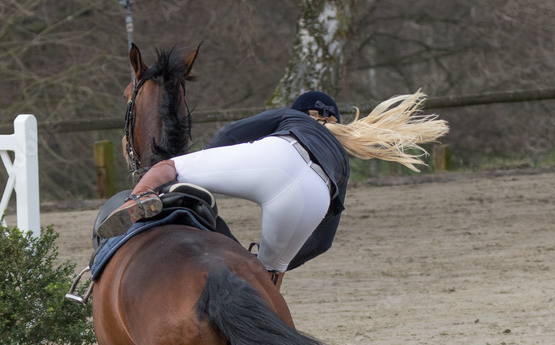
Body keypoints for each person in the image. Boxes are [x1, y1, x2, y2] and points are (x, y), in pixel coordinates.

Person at [96, 90, 448, 326]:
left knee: (168, 169)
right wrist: (279, 262)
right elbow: (325, 239)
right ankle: (254, 327)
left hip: (279, 158)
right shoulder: (341, 158)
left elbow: (231, 131)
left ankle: (136, 202)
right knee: (264, 277)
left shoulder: (292, 118)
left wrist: (200, 163)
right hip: (316, 194)